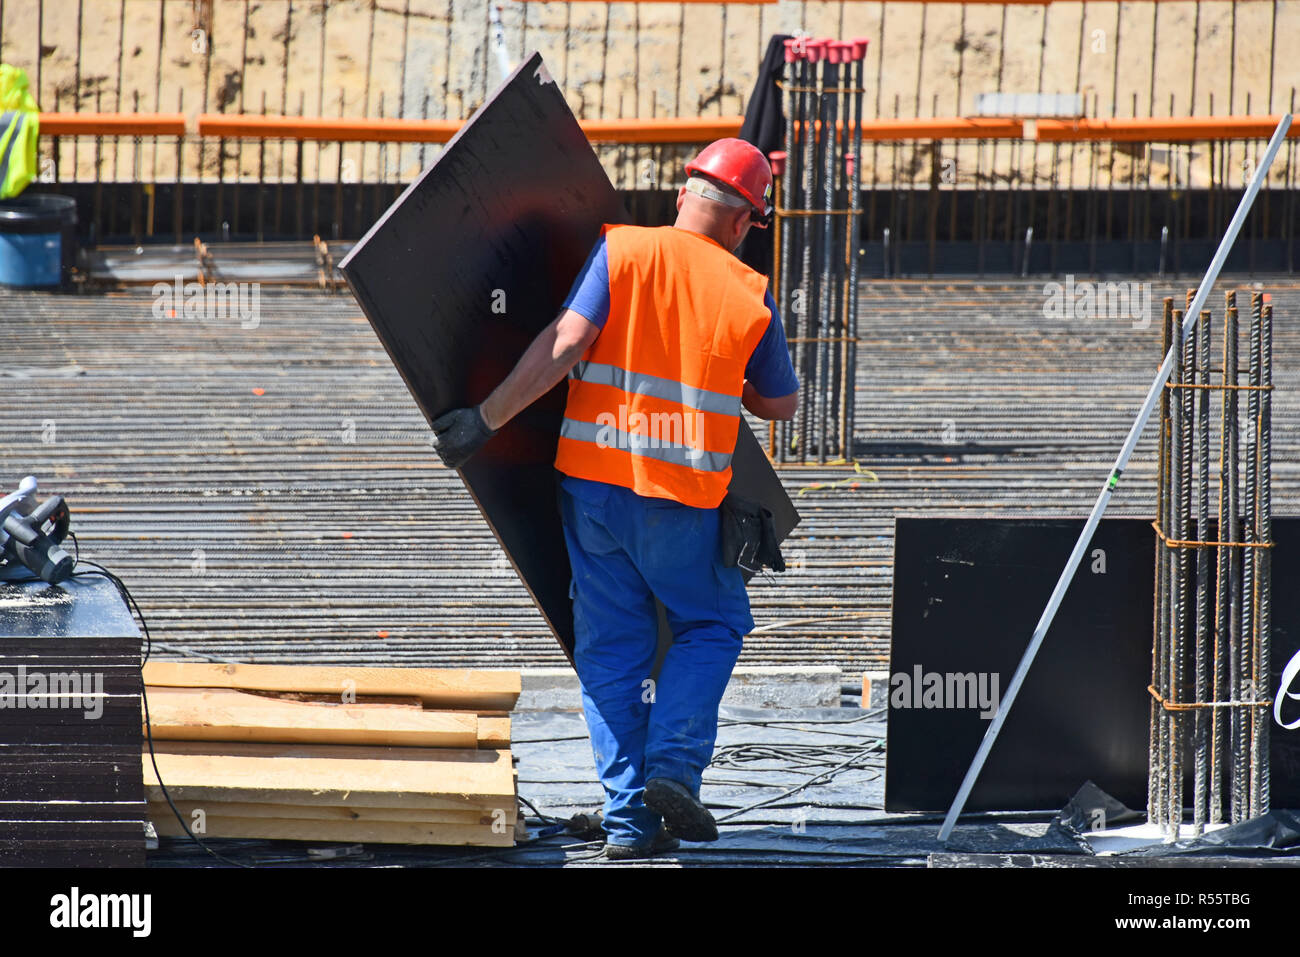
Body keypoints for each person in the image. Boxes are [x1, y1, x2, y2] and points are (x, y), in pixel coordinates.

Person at [431, 138, 799, 859]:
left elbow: (564, 344)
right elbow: (782, 406)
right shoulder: (746, 293)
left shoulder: (621, 252)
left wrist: (484, 419)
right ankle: (673, 769)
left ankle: (631, 824)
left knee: (612, 655)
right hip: (680, 500)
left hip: (592, 494)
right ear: (743, 222)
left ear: (682, 199)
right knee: (710, 626)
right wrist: (740, 385)